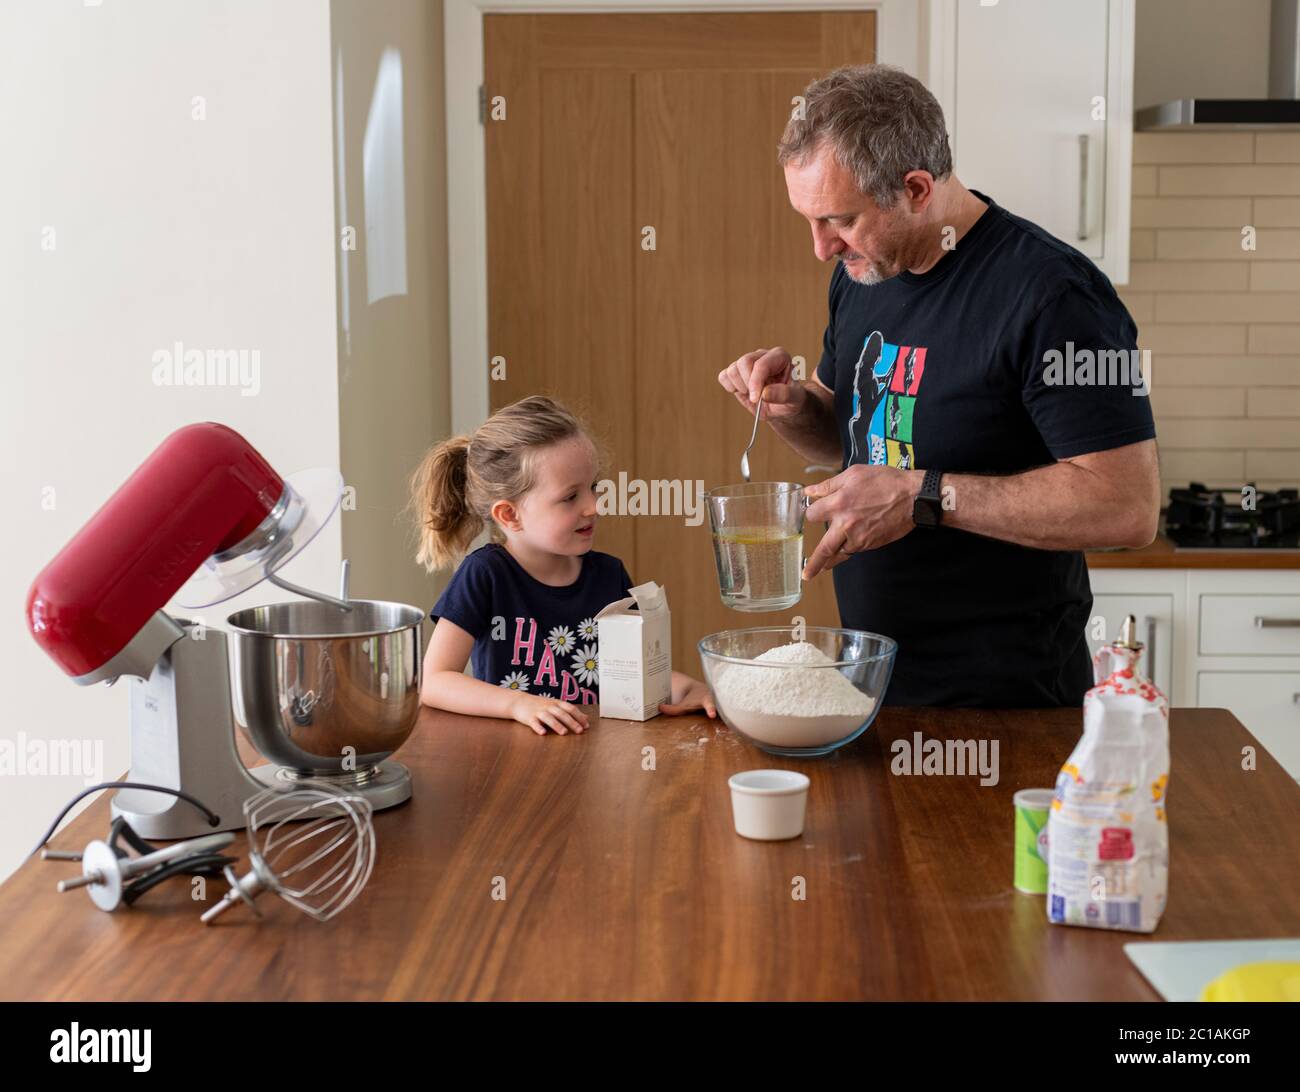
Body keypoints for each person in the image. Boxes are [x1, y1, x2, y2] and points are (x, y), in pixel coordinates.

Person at [718, 65, 1160, 707]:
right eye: (809, 220)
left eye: (838, 220)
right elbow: (854, 439)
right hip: (872, 683)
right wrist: (793, 408)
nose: (820, 248)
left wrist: (922, 496)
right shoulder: (864, 274)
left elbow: (1129, 507)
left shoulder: (1055, 296)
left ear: (918, 188)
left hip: (1008, 707)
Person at [410, 394, 716, 735]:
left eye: (593, 488)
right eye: (571, 497)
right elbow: (435, 682)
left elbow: (638, 675)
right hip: (513, 761)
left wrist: (689, 689)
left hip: (598, 757)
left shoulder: (609, 575)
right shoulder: (485, 575)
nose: (594, 506)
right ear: (509, 515)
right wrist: (518, 704)